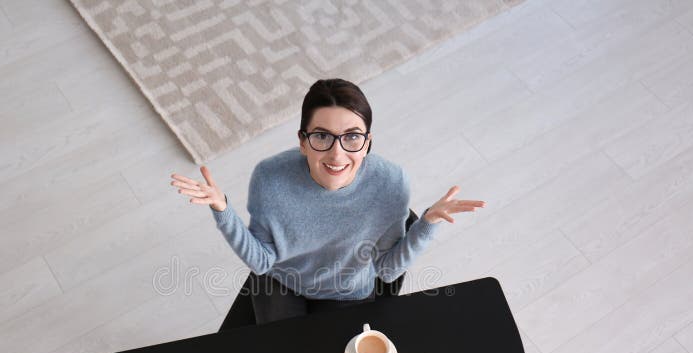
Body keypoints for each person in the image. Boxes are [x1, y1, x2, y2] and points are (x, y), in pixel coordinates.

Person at [171, 78, 485, 324]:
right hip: (284, 281)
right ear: (302, 142)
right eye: (322, 136)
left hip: (349, 292)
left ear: (367, 144)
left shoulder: (391, 183)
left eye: (352, 137)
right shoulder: (269, 178)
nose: (337, 154)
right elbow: (262, 262)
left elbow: (387, 271)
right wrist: (223, 210)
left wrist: (427, 224)